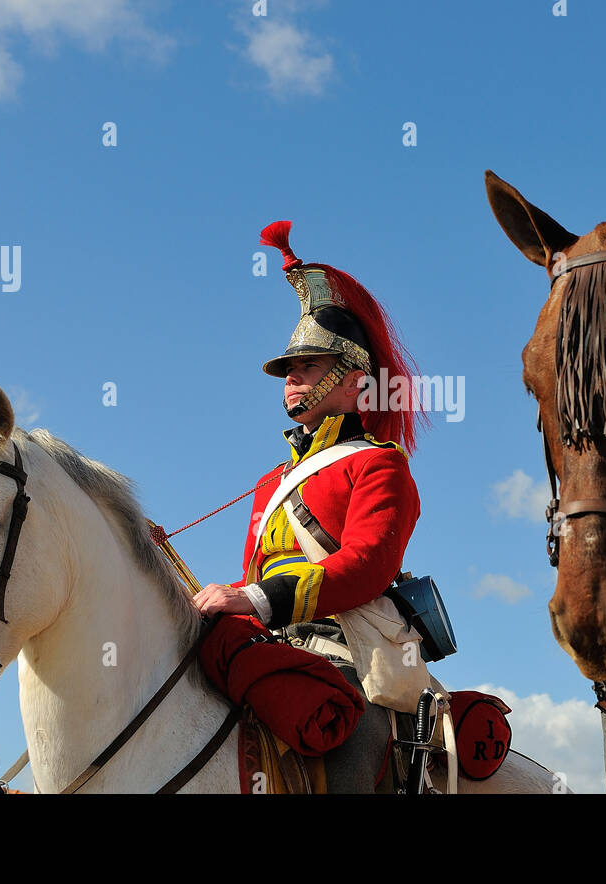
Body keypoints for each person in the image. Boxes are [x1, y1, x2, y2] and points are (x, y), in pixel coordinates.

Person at [193, 220, 426, 792]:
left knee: (346, 751)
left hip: (346, 656)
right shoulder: (273, 480)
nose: (292, 378)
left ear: (352, 381)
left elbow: (368, 565)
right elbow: (252, 578)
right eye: (289, 369)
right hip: (268, 648)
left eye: (308, 366)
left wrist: (250, 599)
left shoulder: (379, 463)